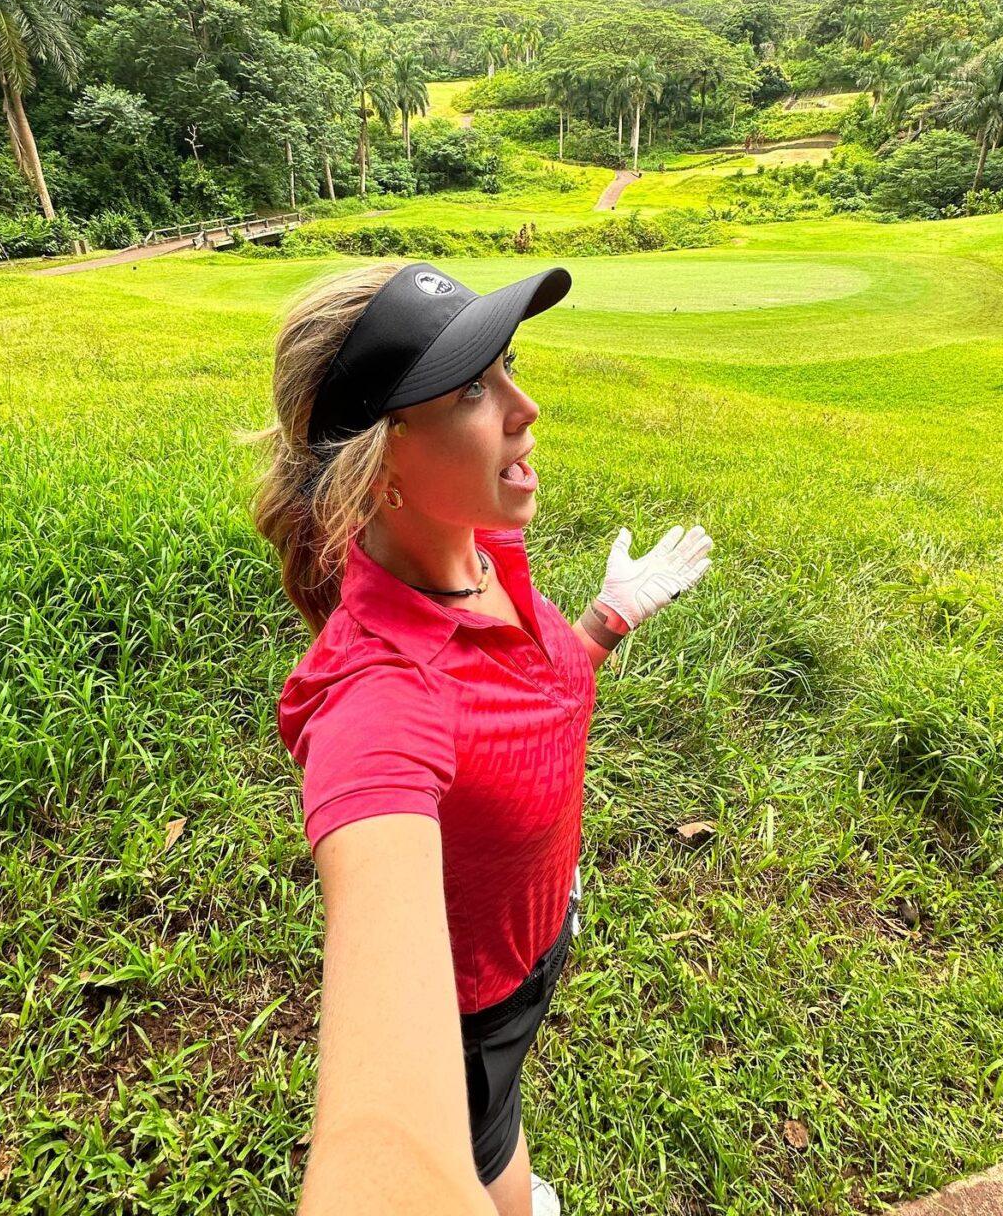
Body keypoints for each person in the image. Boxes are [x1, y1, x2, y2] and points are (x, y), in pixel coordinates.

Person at [249, 259, 714, 1216]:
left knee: (495, 1106)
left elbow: (520, 695)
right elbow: (379, 1153)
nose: (525, 405)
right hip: (471, 1006)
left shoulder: (475, 542)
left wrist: (600, 625)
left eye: (507, 366)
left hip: (533, 933)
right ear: (381, 469)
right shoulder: (376, 699)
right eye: (471, 389)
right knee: (482, 1129)